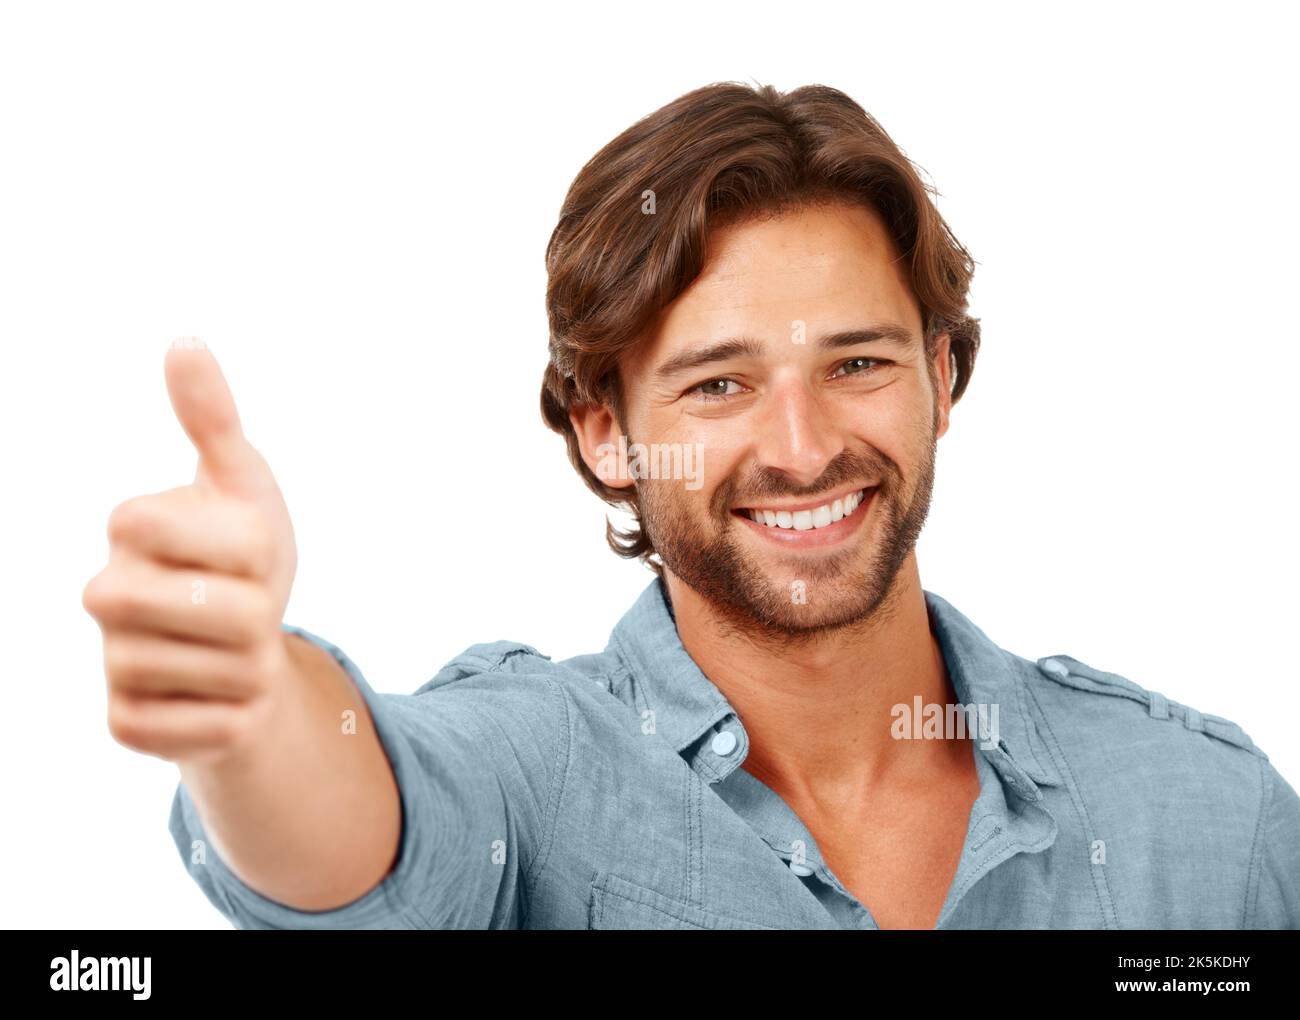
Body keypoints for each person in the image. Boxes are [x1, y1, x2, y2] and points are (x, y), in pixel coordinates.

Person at [82, 82, 1300, 929]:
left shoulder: (1206, 817)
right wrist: (249, 718)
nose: (804, 446)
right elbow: (366, 840)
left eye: (858, 363)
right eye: (719, 384)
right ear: (605, 431)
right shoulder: (535, 775)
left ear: (942, 375)